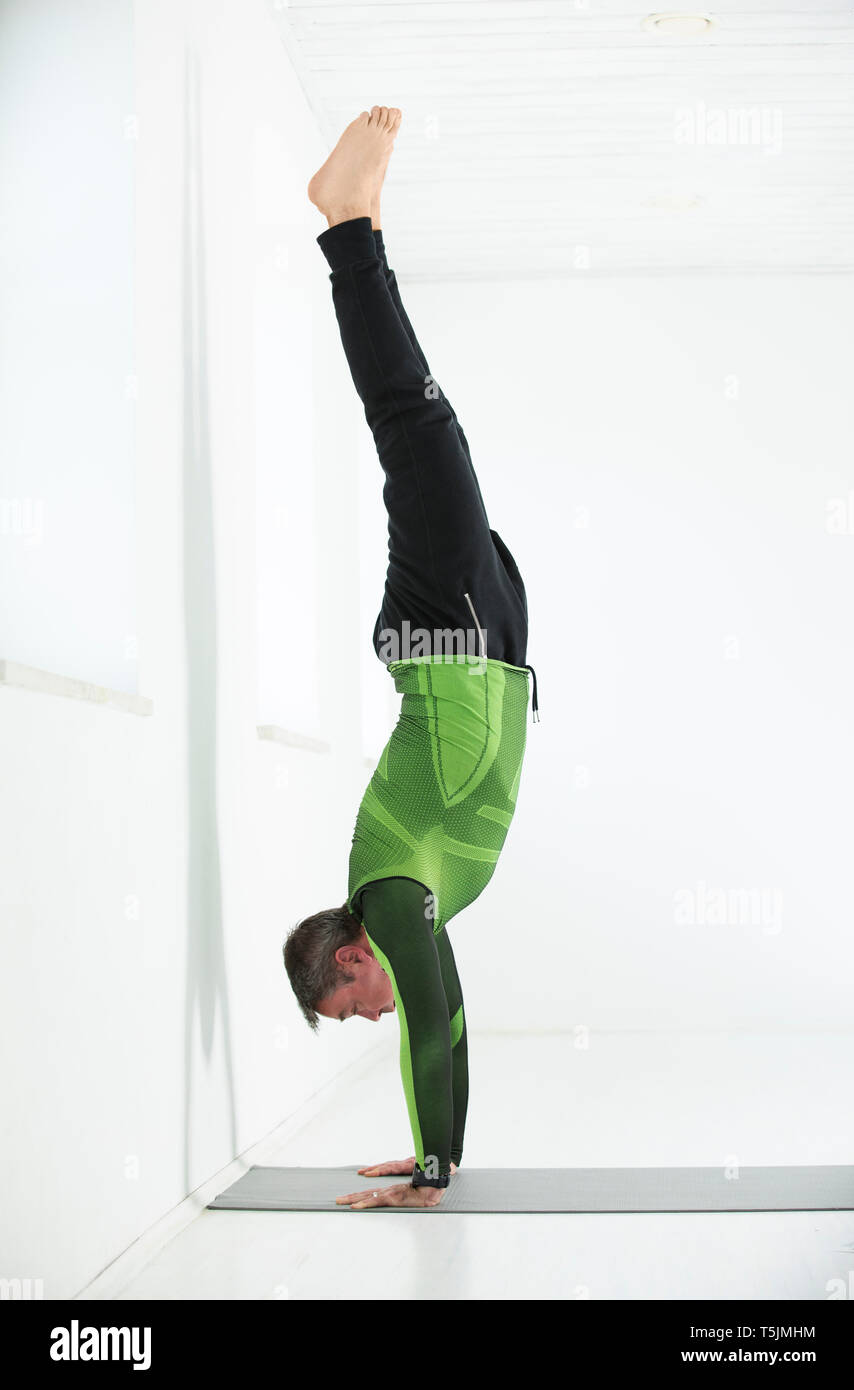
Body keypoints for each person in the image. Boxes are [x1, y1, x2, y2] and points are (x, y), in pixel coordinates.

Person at [283, 107, 538, 1211]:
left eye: (353, 1009)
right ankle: (361, 224)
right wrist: (444, 1158)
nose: (374, 1016)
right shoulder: (417, 908)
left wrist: (426, 1176)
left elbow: (425, 1019)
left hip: (442, 630)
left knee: (411, 422)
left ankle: (343, 218)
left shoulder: (388, 893)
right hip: (489, 640)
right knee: (429, 425)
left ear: (345, 960)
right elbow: (455, 1019)